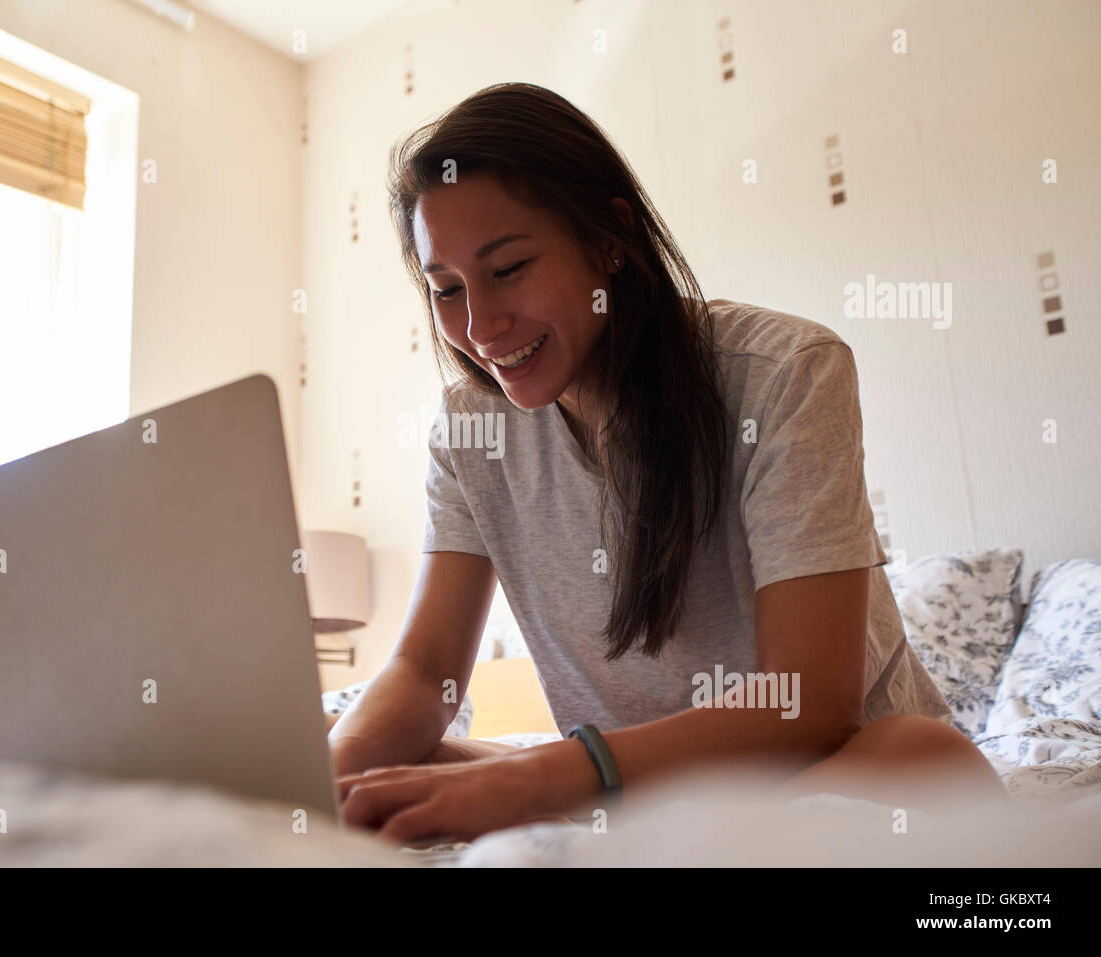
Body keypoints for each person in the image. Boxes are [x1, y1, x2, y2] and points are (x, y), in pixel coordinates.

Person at [327, 82, 1003, 846]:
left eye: (509, 268)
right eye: (445, 289)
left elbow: (808, 699)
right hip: (625, 789)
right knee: (369, 770)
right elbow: (423, 673)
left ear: (610, 237)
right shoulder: (469, 430)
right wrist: (323, 777)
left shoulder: (784, 373)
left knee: (921, 757)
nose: (480, 327)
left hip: (824, 767)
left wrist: (532, 779)